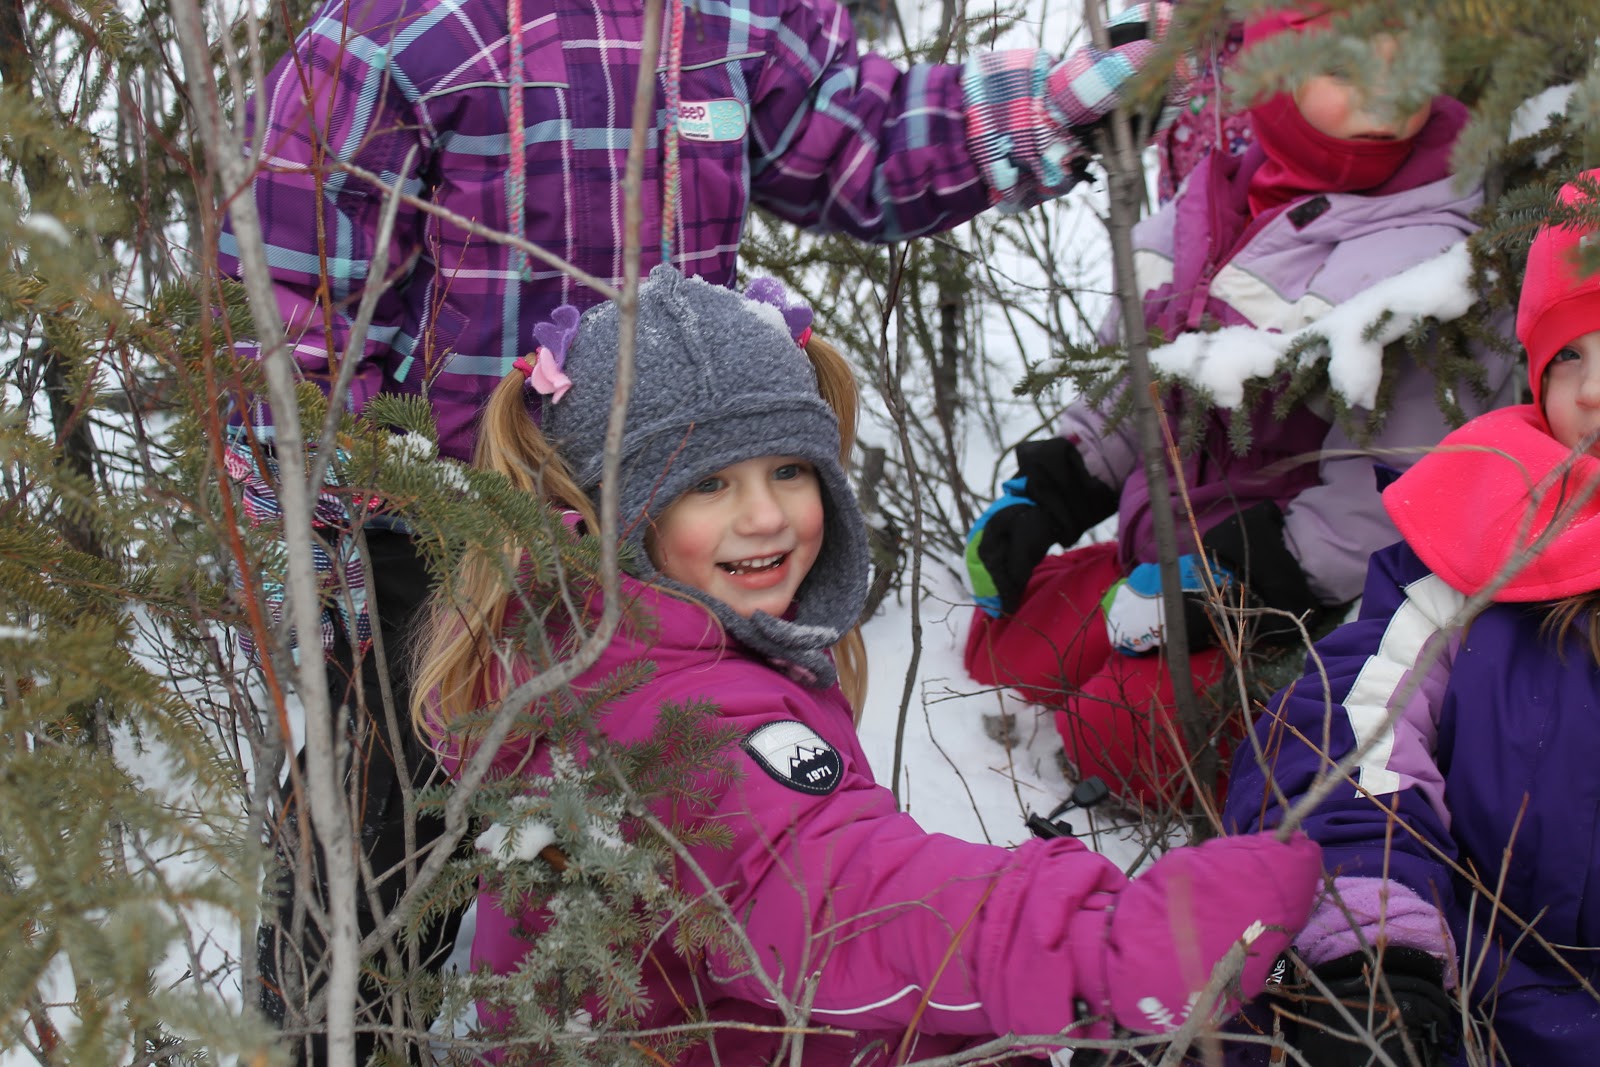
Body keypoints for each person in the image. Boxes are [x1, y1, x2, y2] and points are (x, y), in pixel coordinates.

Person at [219, 0, 1198, 1059]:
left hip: (680, 529)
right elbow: (285, 323)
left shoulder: (726, 15)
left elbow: (851, 130)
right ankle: (339, 1035)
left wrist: (1044, 110)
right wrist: (327, 552)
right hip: (456, 540)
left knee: (703, 824)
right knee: (391, 835)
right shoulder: (390, 41)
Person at [412, 264, 1323, 1065]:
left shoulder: (598, 640)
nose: (765, 517)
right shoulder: (682, 710)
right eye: (705, 483)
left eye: (789, 470)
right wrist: (1108, 942)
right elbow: (839, 900)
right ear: (610, 512)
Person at [962, 7, 1519, 810]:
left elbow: (1394, 492)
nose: (1390, 81)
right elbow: (1149, 376)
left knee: (1121, 736)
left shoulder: (1431, 253)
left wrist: (1232, 583)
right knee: (1001, 649)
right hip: (1163, 544)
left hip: (1294, 602)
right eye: (1345, 62)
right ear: (1272, 76)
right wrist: (1057, 488)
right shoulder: (1226, 195)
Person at [1221, 169, 1600, 1067]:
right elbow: (1347, 727)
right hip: (1478, 981)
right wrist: (1385, 946)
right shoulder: (1480, 541)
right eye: (1570, 356)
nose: (1592, 389)